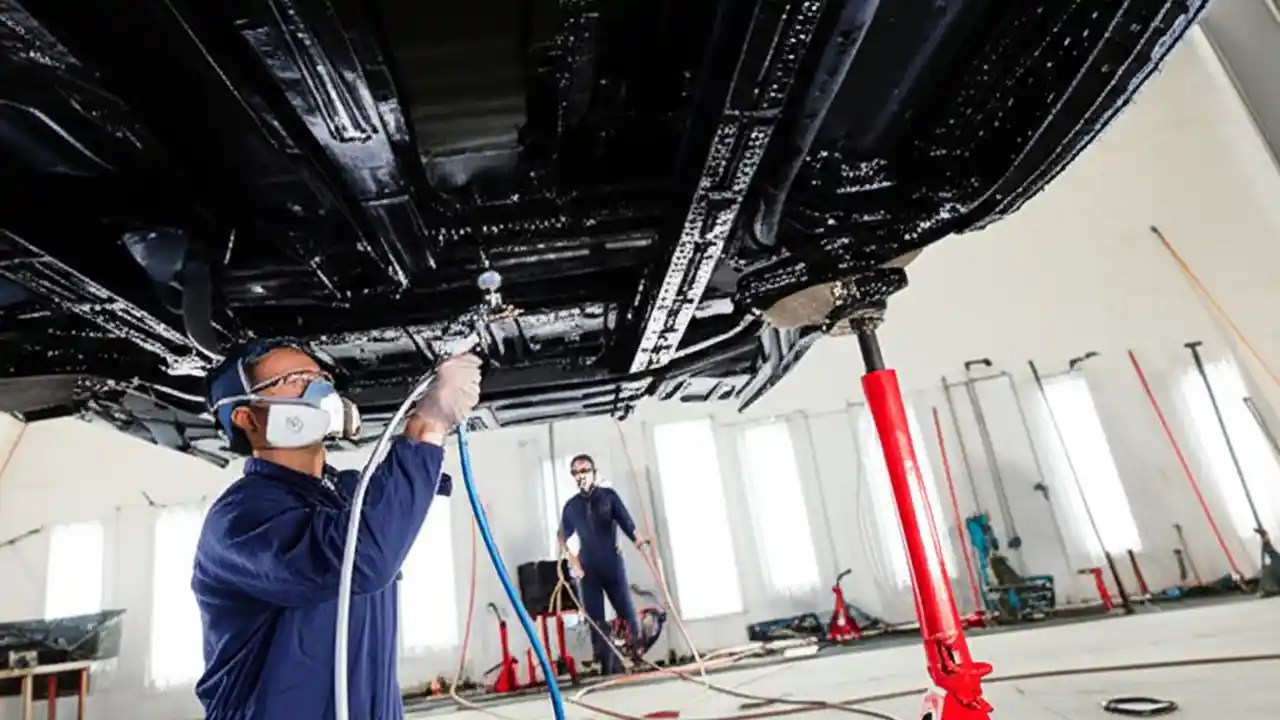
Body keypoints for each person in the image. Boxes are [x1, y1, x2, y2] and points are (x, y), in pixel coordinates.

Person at [192, 339, 481, 719]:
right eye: (295, 379)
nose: (319, 388)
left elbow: (397, 505)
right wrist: (427, 425)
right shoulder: (238, 519)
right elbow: (362, 560)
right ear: (246, 417)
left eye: (320, 376)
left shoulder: (345, 493)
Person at [557, 453, 648, 675]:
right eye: (576, 472)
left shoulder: (609, 497)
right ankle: (608, 664)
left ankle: (635, 656)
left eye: (584, 470)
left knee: (626, 611)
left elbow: (626, 522)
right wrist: (574, 560)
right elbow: (561, 537)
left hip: (612, 562)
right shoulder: (571, 507)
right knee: (595, 618)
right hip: (588, 568)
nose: (581, 476)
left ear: (594, 473)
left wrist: (638, 540)